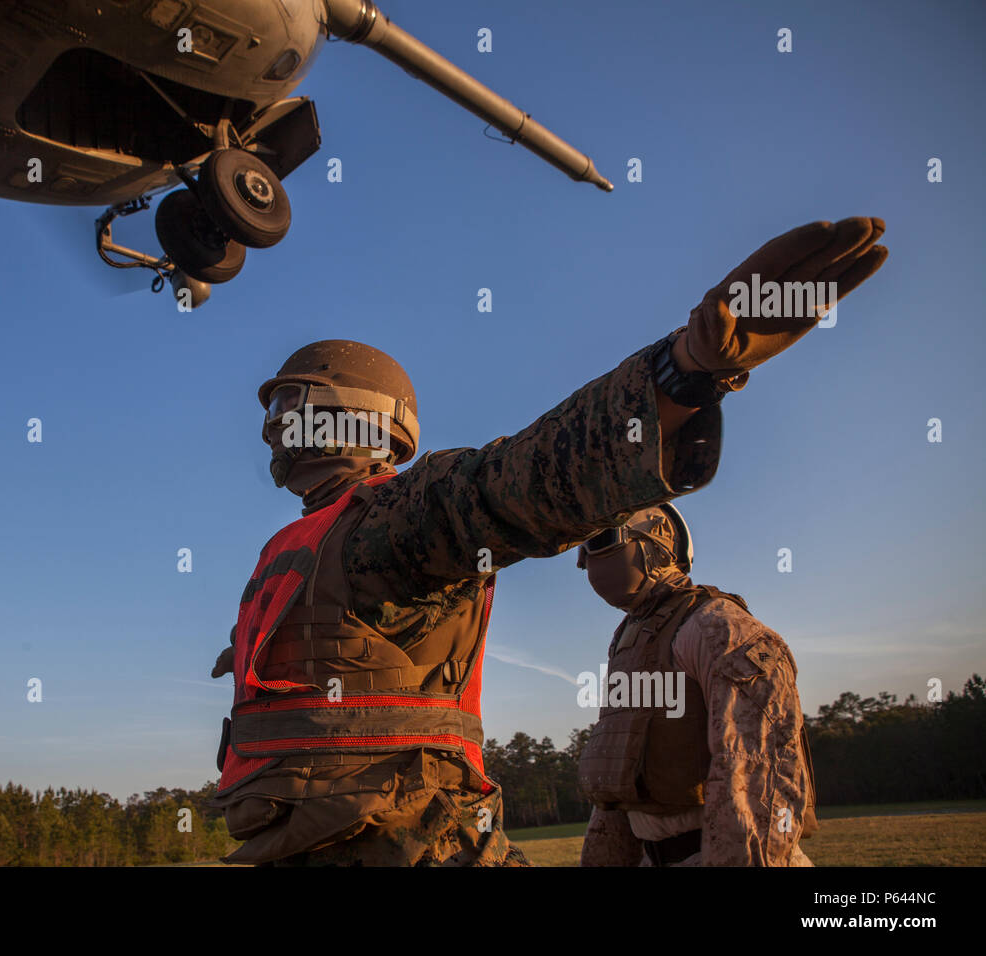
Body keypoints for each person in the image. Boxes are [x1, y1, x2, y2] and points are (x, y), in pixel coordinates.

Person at [208, 218, 886, 866]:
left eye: (288, 406)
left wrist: (684, 374)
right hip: (306, 845)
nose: (272, 429)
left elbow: (528, 478)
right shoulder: (295, 550)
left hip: (417, 845)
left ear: (355, 419)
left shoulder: (398, 517)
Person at [576, 504, 818, 867]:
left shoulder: (715, 625)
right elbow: (619, 774)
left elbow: (756, 771)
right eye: (584, 547)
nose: (589, 559)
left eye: (603, 539)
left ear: (656, 544)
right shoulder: (627, 639)